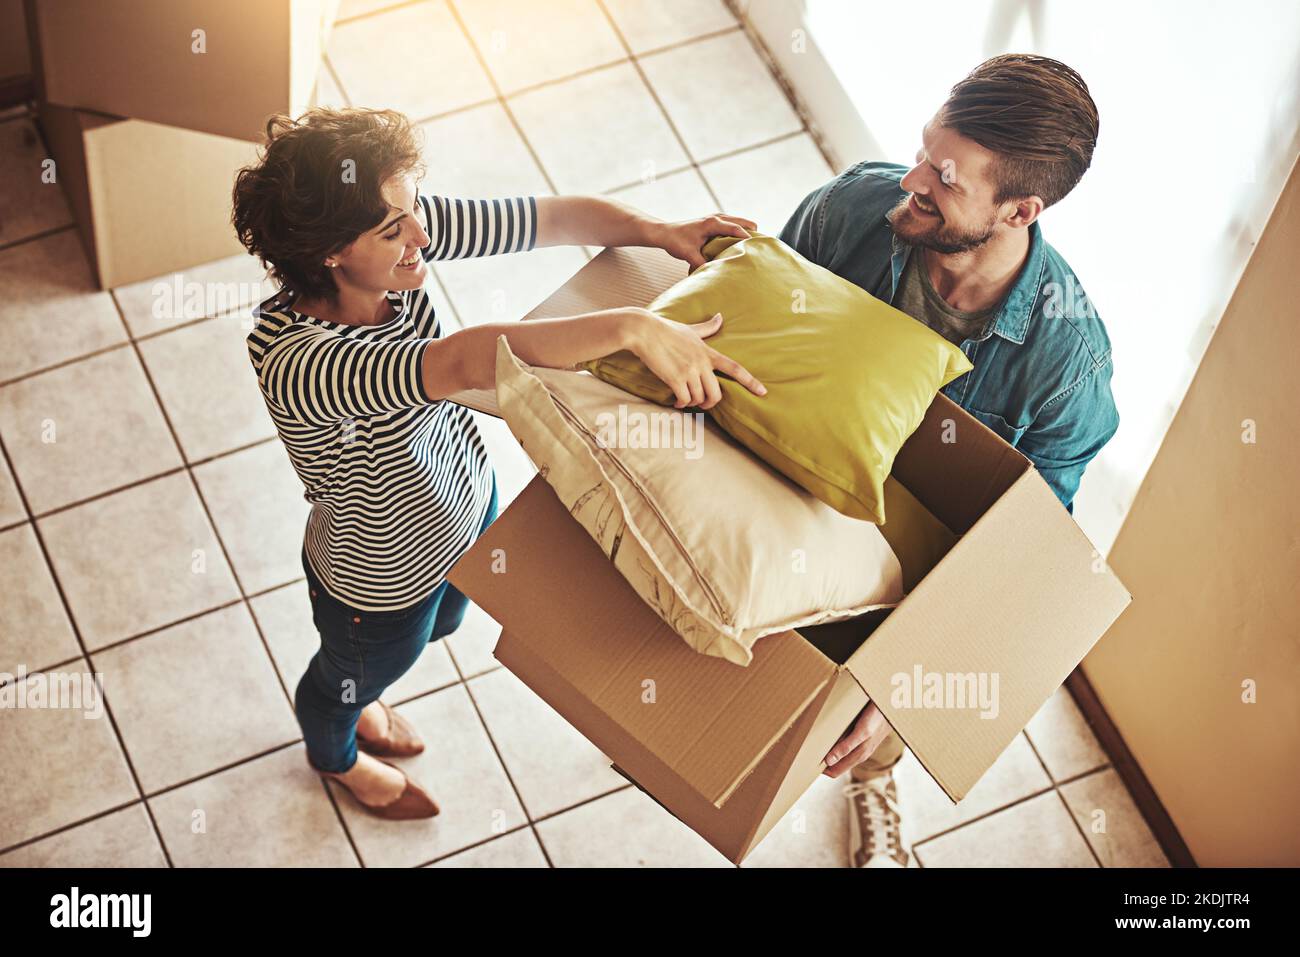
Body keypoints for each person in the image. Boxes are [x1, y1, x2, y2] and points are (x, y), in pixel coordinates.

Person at [232, 106, 765, 819]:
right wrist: (634, 328)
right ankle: (336, 754)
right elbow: (462, 358)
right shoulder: (307, 361)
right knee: (351, 677)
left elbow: (545, 218)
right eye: (394, 230)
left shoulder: (395, 239)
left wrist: (657, 231)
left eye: (414, 213)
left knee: (447, 624)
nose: (421, 235)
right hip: (378, 577)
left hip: (464, 508)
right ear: (329, 252)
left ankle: (371, 695)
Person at [780, 54, 1119, 867]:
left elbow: (1027, 544)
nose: (912, 182)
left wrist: (907, 683)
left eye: (946, 177)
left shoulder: (1066, 359)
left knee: (868, 724)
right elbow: (762, 314)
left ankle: (876, 777)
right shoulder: (853, 208)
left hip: (906, 557)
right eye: (925, 152)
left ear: (1019, 210)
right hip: (792, 485)